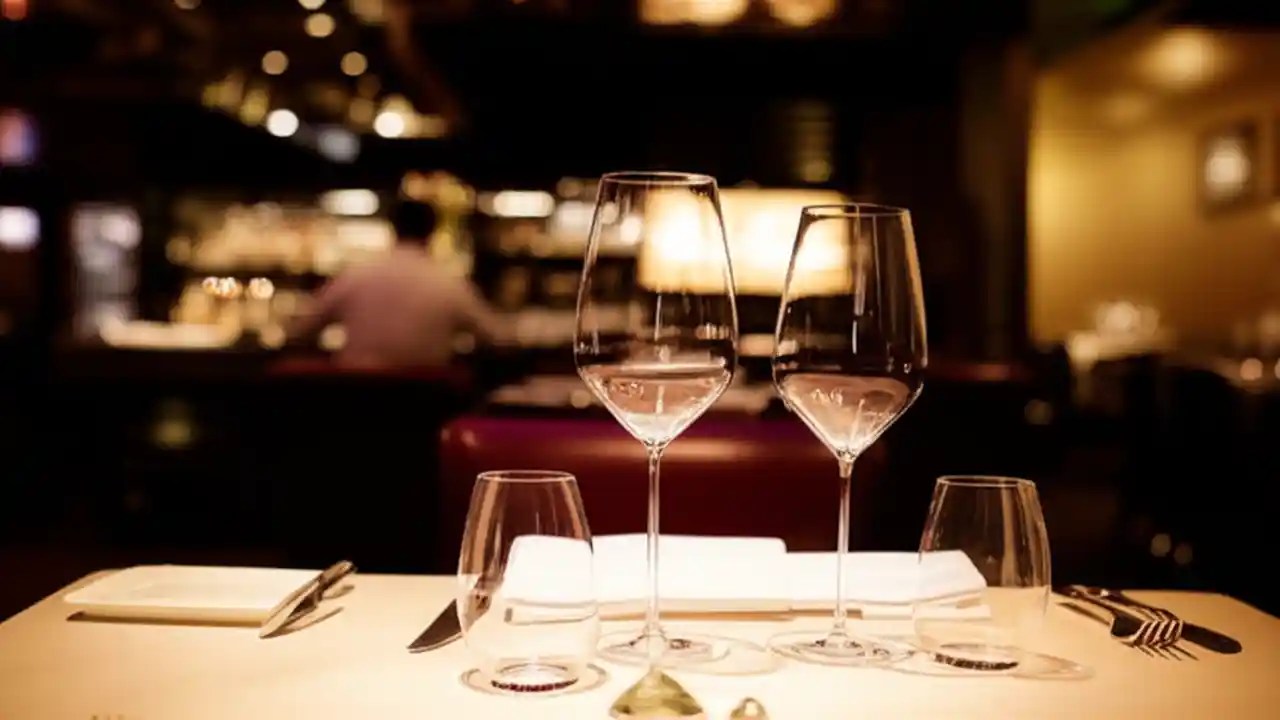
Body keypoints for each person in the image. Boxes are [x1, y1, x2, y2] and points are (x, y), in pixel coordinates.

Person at [288, 200, 504, 370]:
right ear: (433, 231)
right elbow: (496, 337)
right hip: (425, 398)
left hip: (357, 394)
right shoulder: (448, 282)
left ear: (392, 227)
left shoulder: (357, 274)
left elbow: (302, 329)